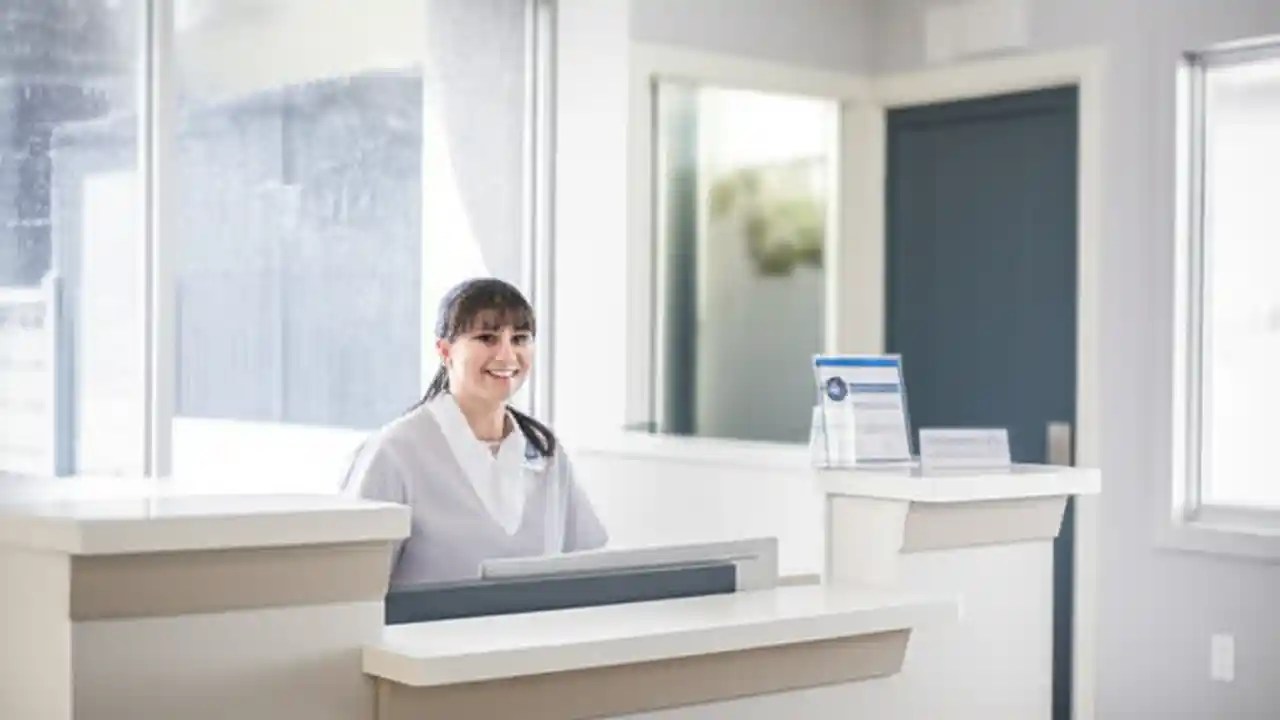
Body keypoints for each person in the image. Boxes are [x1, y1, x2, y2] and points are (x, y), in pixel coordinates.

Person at [341, 277, 607, 587]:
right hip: (424, 635)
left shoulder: (546, 453)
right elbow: (355, 589)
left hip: (533, 634)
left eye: (520, 338)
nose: (507, 356)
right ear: (445, 351)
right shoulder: (394, 453)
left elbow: (588, 568)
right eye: (487, 337)